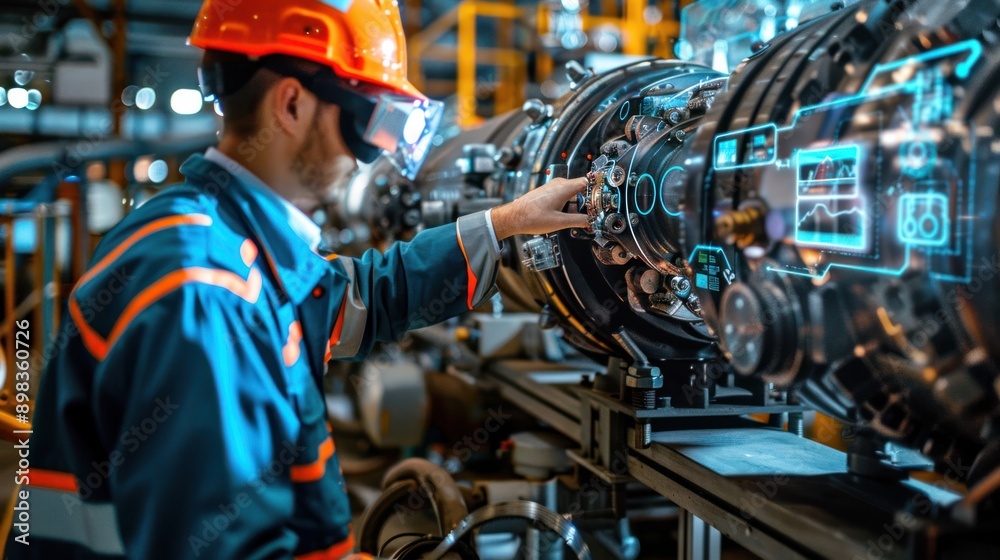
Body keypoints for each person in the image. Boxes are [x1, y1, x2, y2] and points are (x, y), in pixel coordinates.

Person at [7, 0, 589, 558]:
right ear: (290, 105)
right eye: (371, 122)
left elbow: (364, 297)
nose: (368, 156)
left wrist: (505, 223)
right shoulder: (207, 294)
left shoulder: (223, 237)